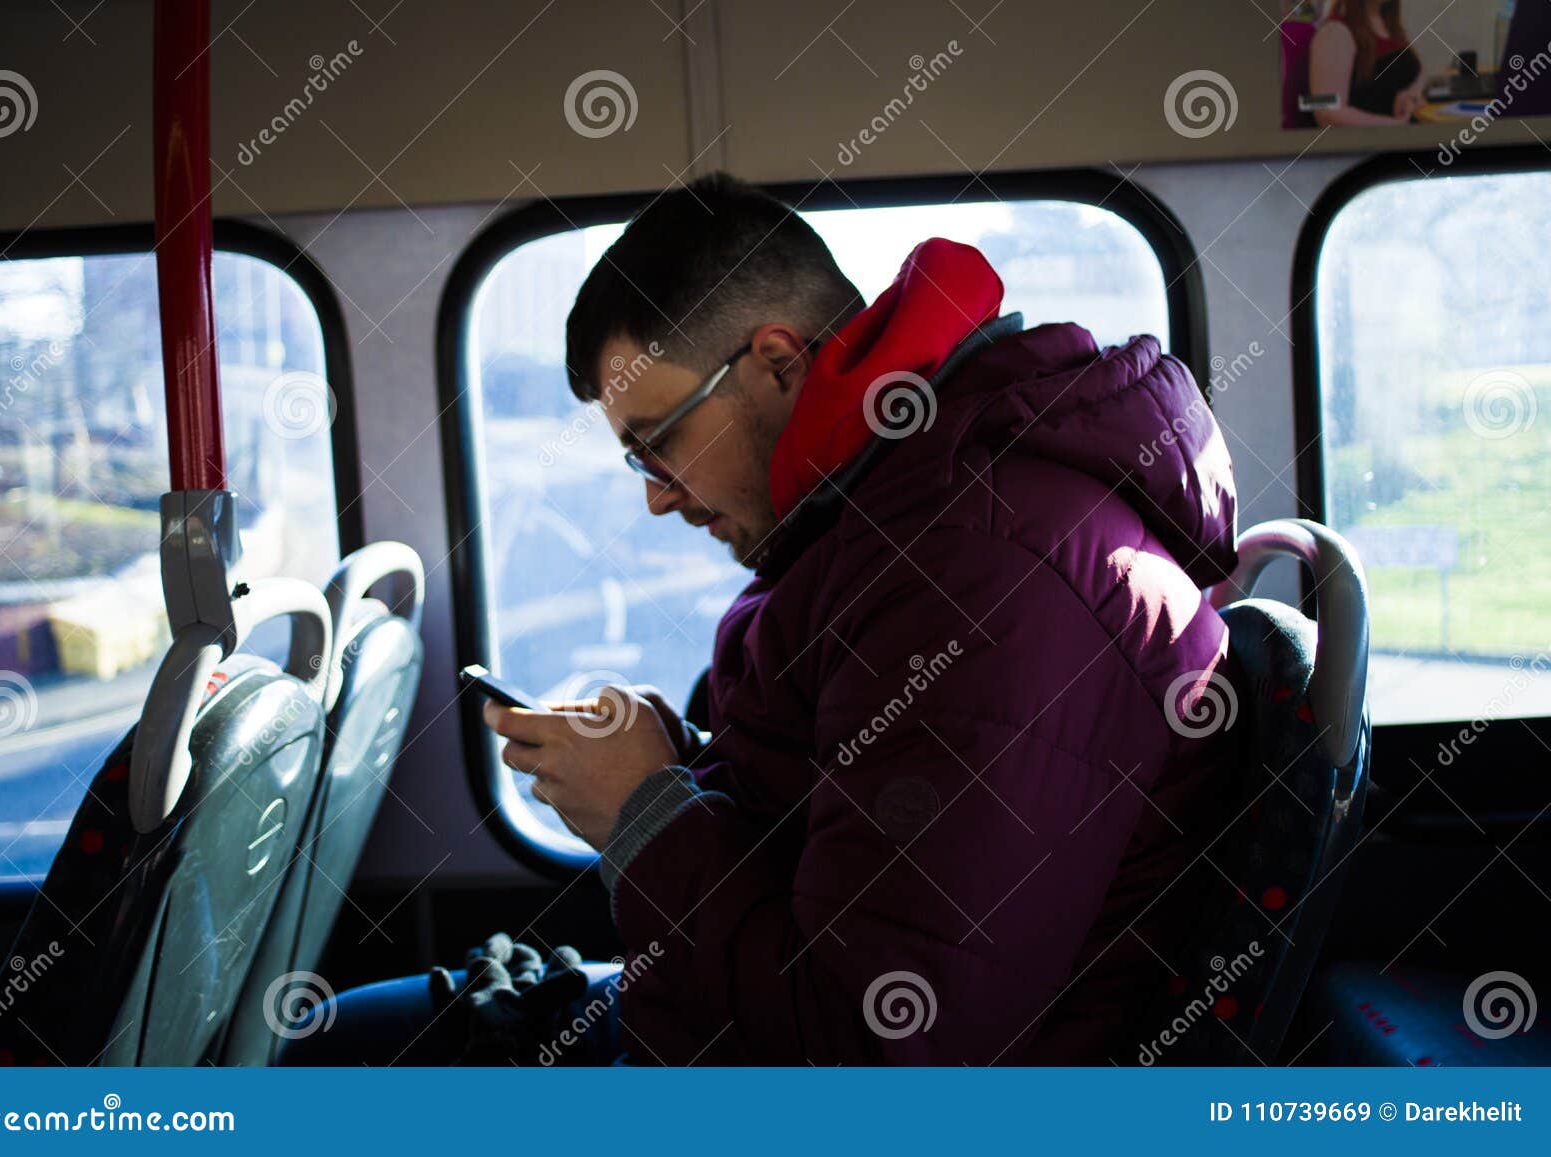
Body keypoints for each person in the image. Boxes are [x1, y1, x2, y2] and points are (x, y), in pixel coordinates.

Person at [480, 172, 1245, 1064]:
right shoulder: (888, 519)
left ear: (776, 360)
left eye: (660, 442)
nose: (655, 497)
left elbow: (872, 1051)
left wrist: (646, 815)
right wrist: (682, 768)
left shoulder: (978, 568)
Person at [1309, 0, 1426, 124]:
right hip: (1371, 140)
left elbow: (1412, 73)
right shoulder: (1334, 31)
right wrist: (1397, 127)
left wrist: (1412, 94)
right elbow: (1325, 111)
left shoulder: (1388, 25)